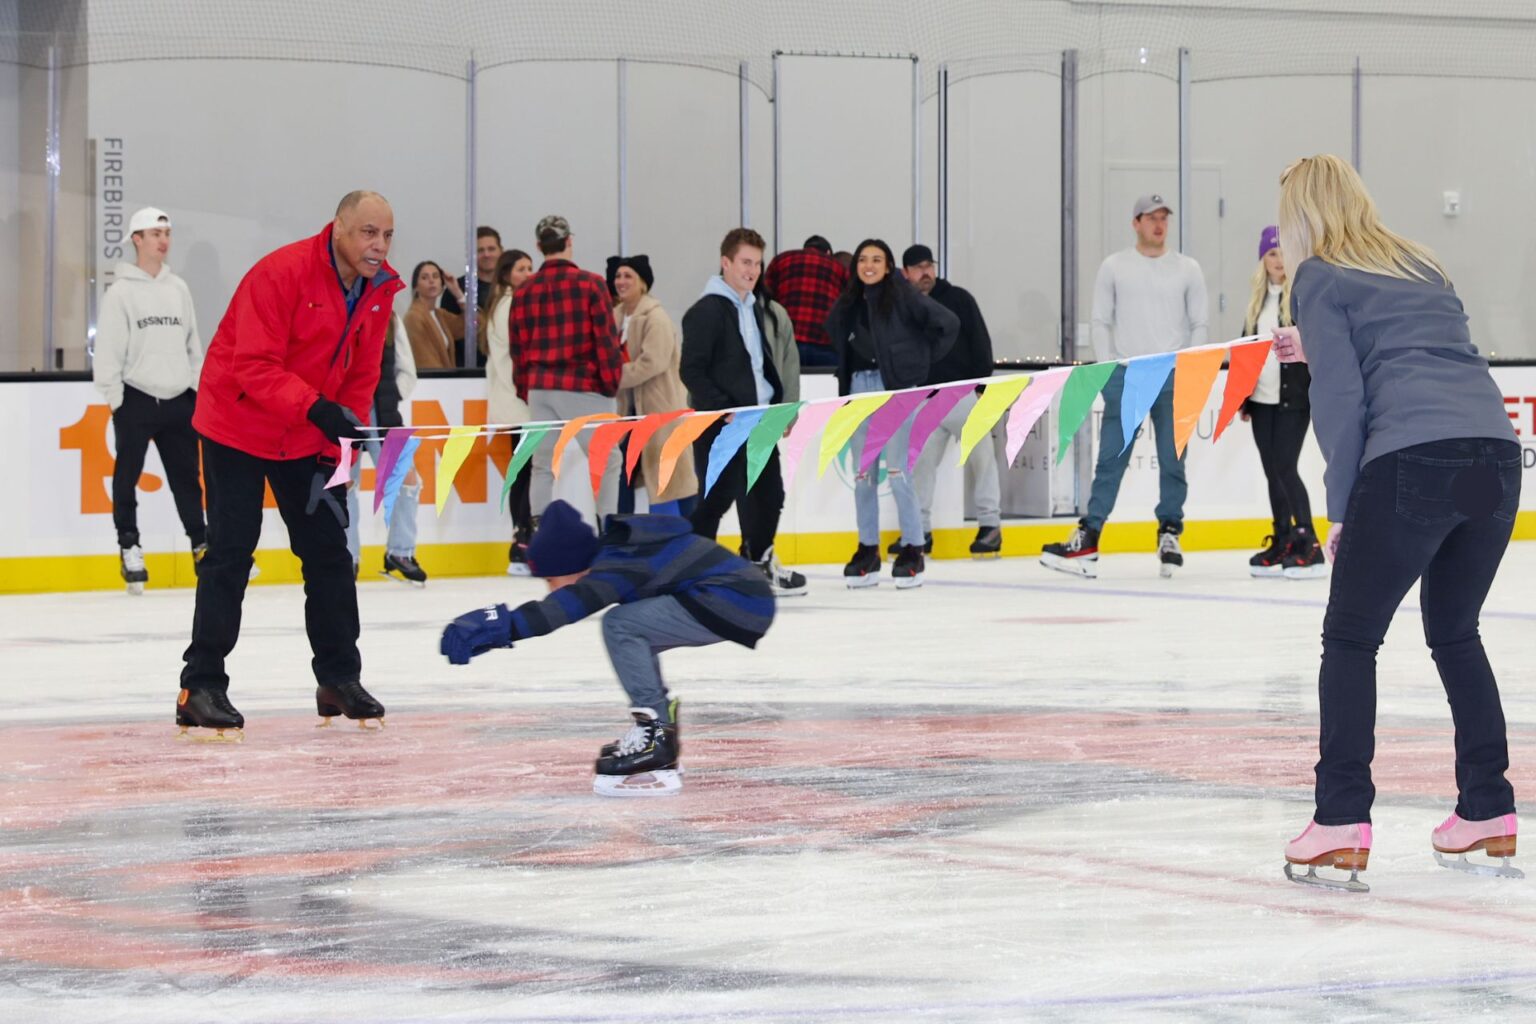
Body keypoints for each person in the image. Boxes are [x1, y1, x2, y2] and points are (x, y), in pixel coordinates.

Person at [1274, 155, 1522, 892]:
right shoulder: (1423, 265)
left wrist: (1341, 505)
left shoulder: (1318, 274)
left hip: (1410, 461)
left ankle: (1341, 820)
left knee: (1350, 638)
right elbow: (1416, 353)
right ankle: (1488, 808)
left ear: (1302, 215)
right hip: (1493, 457)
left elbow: (1342, 402)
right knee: (1455, 631)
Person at [177, 191, 402, 738]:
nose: (379, 246)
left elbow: (362, 373)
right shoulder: (281, 274)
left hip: (307, 435)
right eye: (369, 233)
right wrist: (317, 408)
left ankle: (338, 679)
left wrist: (337, 437)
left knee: (328, 551)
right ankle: (200, 685)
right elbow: (251, 365)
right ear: (340, 229)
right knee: (230, 554)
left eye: (388, 235)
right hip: (237, 424)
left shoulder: (378, 291)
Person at [439, 499, 775, 797]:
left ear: (569, 565)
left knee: (621, 624)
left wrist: (500, 625)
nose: (549, 588)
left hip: (737, 600)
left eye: (550, 580)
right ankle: (659, 728)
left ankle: (655, 735)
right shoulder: (619, 554)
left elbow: (563, 609)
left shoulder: (619, 563)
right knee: (634, 627)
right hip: (738, 598)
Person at [1040, 194, 1209, 579]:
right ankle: (1091, 533)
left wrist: (1190, 364)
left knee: (1172, 458)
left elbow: (1199, 322)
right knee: (1111, 460)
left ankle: (1169, 531)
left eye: (1164, 217)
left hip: (1171, 374)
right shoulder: (1115, 266)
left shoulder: (1188, 269)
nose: (1159, 224)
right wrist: (1109, 368)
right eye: (1151, 217)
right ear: (1136, 222)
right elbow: (1100, 320)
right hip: (1127, 374)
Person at [680, 227, 808, 597]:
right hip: (723, 424)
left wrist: (779, 408)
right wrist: (723, 409)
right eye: (745, 262)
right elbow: (691, 370)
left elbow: (762, 365)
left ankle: (758, 561)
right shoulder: (705, 311)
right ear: (726, 263)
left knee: (769, 495)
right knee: (717, 497)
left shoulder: (754, 307)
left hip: (760, 421)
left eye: (757, 263)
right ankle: (690, 570)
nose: (752, 270)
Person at [824, 239, 958, 589]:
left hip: (896, 391)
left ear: (888, 266)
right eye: (863, 259)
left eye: (877, 259)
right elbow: (833, 330)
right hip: (858, 391)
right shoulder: (849, 301)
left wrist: (918, 362)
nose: (869, 265)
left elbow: (946, 323)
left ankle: (913, 548)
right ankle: (868, 549)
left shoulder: (902, 296)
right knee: (863, 475)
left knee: (899, 471)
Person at [92, 206, 206, 594]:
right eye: (155, 233)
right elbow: (107, 350)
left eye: (167, 233)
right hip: (136, 398)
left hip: (178, 399)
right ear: (136, 240)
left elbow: (193, 343)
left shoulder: (179, 289)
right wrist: (116, 399)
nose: (164, 240)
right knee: (127, 477)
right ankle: (129, 546)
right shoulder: (120, 292)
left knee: (187, 480)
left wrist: (195, 387)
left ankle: (201, 546)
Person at [510, 215, 625, 523]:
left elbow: (517, 348)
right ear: (569, 241)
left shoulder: (523, 291)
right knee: (607, 460)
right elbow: (606, 341)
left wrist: (526, 389)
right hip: (582, 386)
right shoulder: (591, 285)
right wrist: (609, 385)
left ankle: (540, 530)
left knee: (542, 463)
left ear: (539, 246)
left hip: (540, 386)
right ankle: (608, 528)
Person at [901, 243, 1002, 559]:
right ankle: (920, 533)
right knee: (920, 466)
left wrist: (980, 386)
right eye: (918, 267)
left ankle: (990, 526)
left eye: (929, 265)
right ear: (906, 273)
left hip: (961, 394)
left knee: (982, 457)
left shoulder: (959, 298)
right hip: (926, 399)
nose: (925, 272)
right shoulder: (905, 307)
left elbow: (980, 340)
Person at [1241, 225, 1323, 580]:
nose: (1279, 261)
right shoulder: (1257, 301)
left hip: (1294, 398)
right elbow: (1248, 351)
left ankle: (1308, 541)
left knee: (1286, 467)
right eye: (1272, 254)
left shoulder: (1302, 298)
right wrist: (1244, 396)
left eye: (1284, 254)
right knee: (1272, 470)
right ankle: (1284, 538)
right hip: (1261, 400)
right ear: (1263, 259)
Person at [607, 254, 698, 517]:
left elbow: (652, 362)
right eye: (618, 276)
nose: (621, 282)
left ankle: (690, 536)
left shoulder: (655, 318)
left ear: (642, 283)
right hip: (629, 417)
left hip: (660, 413)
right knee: (621, 477)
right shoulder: (615, 316)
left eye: (628, 276)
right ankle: (623, 536)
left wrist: (612, 376)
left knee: (672, 481)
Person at [346, 312, 427, 585]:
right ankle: (348, 557)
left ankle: (400, 552)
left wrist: (392, 394)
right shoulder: (333, 309)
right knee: (343, 483)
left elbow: (407, 369)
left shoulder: (390, 318)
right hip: (343, 412)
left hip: (384, 411)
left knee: (407, 479)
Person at [486, 248, 536, 574]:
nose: (528, 273)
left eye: (531, 267)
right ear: (506, 274)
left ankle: (522, 541)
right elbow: (520, 352)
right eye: (521, 268)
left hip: (514, 400)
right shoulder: (510, 305)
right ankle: (522, 544)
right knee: (524, 473)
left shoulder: (503, 303)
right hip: (518, 401)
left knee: (522, 472)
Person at [763, 234, 847, 368]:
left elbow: (764, 297)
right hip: (824, 344)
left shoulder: (780, 260)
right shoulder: (839, 267)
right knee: (830, 386)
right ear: (828, 253)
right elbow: (849, 304)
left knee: (788, 387)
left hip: (787, 344)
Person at [440, 225, 503, 367]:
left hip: (505, 370)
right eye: (480, 250)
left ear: (501, 251)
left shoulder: (510, 288)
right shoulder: (455, 289)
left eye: (491, 249)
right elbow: (448, 335)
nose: (486, 254)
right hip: (466, 374)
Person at [402, 261, 462, 370]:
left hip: (445, 382)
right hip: (432, 384)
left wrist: (457, 292)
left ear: (442, 284)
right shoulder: (413, 318)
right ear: (416, 287)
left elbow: (475, 325)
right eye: (425, 278)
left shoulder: (440, 315)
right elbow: (426, 362)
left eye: (435, 276)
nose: (431, 281)